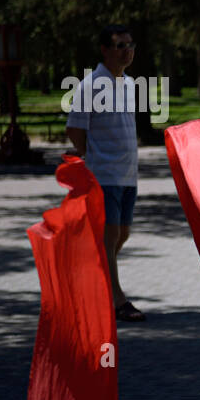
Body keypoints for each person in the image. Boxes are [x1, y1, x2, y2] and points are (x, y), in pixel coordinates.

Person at [66, 25, 145, 322]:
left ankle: (92, 280)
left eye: (130, 44)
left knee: (121, 234)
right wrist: (94, 157)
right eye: (120, 45)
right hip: (105, 173)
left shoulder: (128, 83)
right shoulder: (91, 84)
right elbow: (74, 128)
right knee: (109, 235)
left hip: (128, 174)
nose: (127, 50)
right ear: (105, 50)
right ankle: (116, 299)